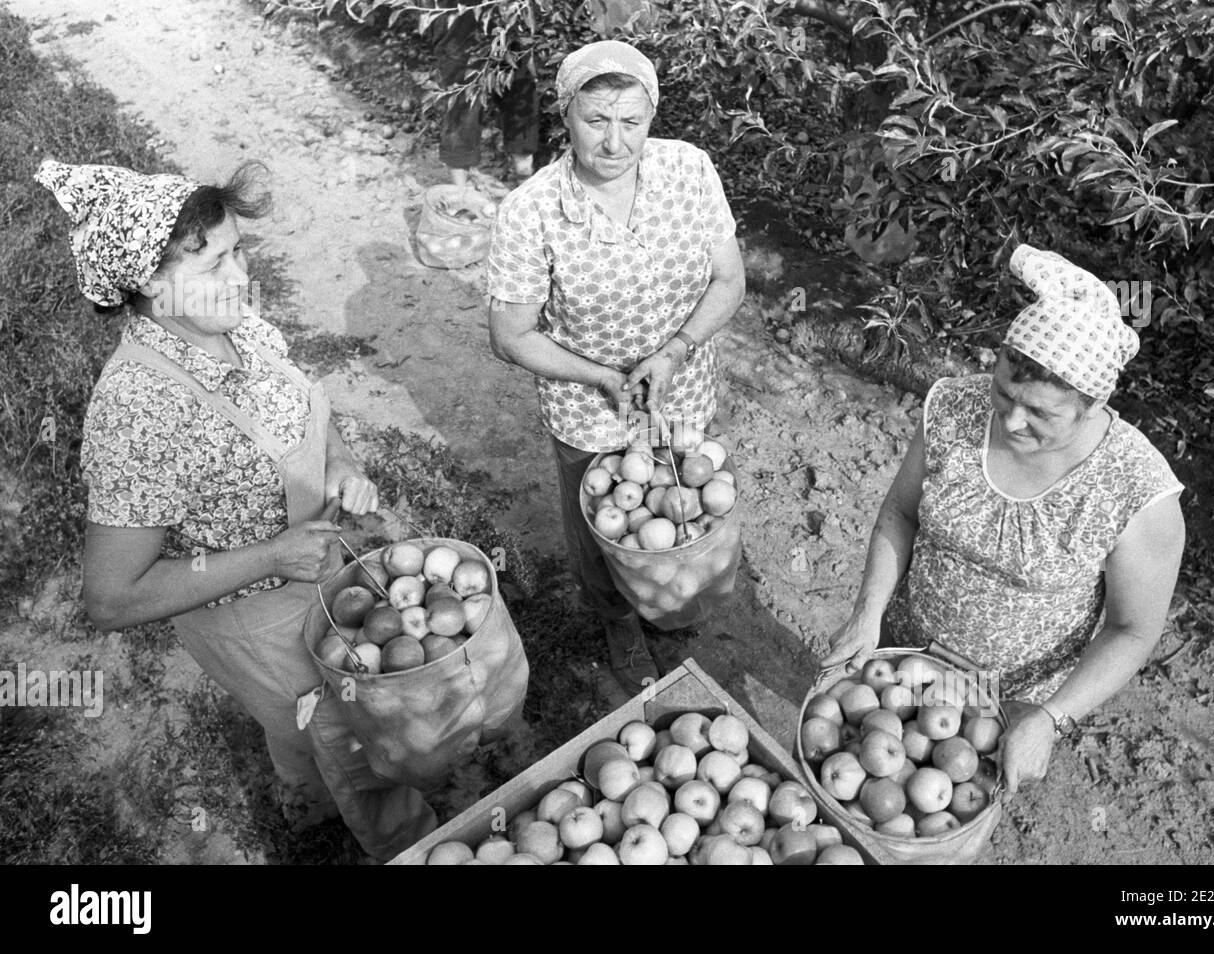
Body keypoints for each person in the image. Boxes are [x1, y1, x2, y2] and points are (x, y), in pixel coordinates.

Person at [35, 159, 437, 861]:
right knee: (347, 731)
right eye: (211, 263)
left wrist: (340, 464)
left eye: (236, 250)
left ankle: (303, 797)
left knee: (307, 724)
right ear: (147, 284)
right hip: (256, 615)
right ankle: (410, 841)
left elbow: (300, 405)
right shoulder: (139, 410)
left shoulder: (233, 320)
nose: (238, 276)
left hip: (318, 566)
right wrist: (274, 556)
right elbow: (109, 597)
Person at [823, 244, 1186, 795]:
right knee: (872, 795)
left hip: (1009, 702)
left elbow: (1132, 630)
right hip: (901, 659)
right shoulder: (955, 409)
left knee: (945, 822)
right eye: (1004, 393)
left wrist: (1052, 718)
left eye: (1040, 413)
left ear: (1093, 405)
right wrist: (868, 613)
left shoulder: (1136, 492)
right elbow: (900, 513)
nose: (1013, 421)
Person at [486, 40, 746, 695]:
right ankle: (617, 620)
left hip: (680, 387)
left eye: (631, 121)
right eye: (596, 120)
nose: (614, 141)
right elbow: (509, 334)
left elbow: (729, 279)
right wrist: (600, 376)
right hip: (588, 407)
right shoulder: (532, 211)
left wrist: (675, 350)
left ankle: (666, 601)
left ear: (652, 114)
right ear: (565, 115)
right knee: (600, 527)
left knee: (676, 505)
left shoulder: (690, 172)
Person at [430, 7, 538, 188]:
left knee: (521, 88)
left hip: (510, 16)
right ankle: (460, 193)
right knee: (462, 96)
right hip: (460, 14)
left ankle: (524, 178)